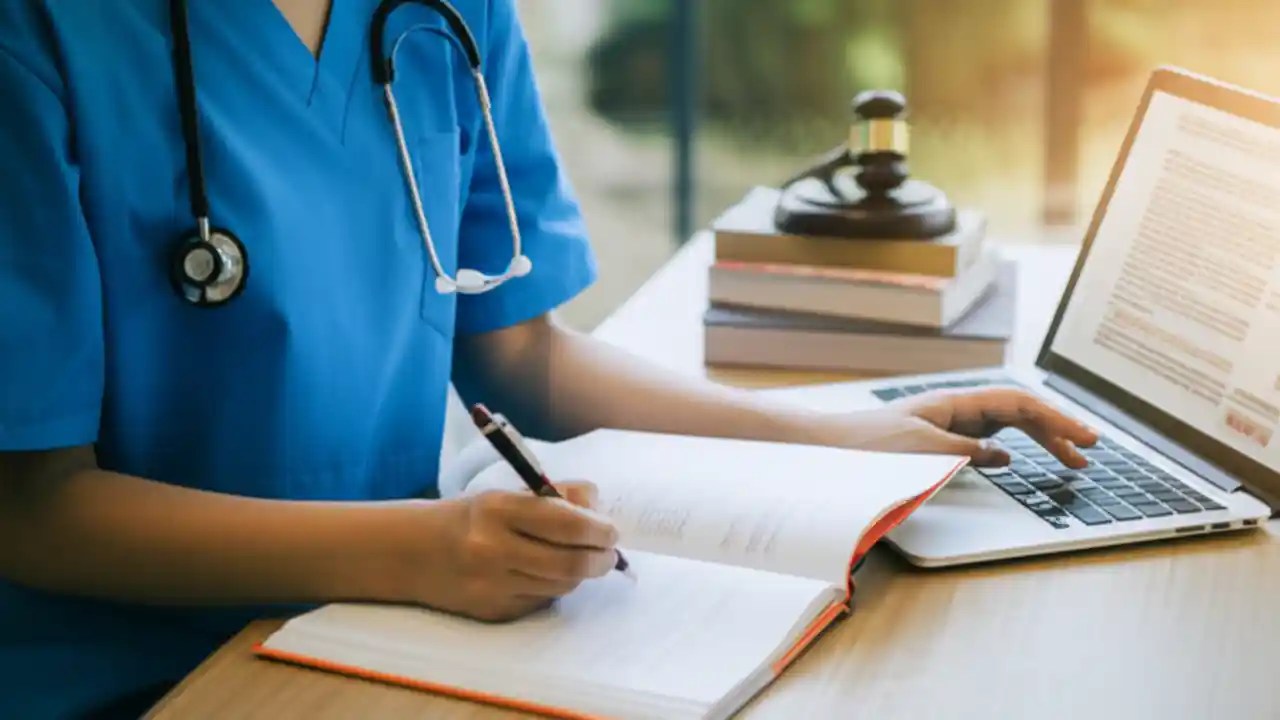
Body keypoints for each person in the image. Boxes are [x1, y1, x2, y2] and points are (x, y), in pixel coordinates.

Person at [0, 1, 1098, 717]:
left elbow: (519, 352)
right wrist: (422, 552)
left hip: (383, 633)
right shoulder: (39, 38)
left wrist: (833, 438)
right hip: (130, 675)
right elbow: (32, 510)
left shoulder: (446, 18)